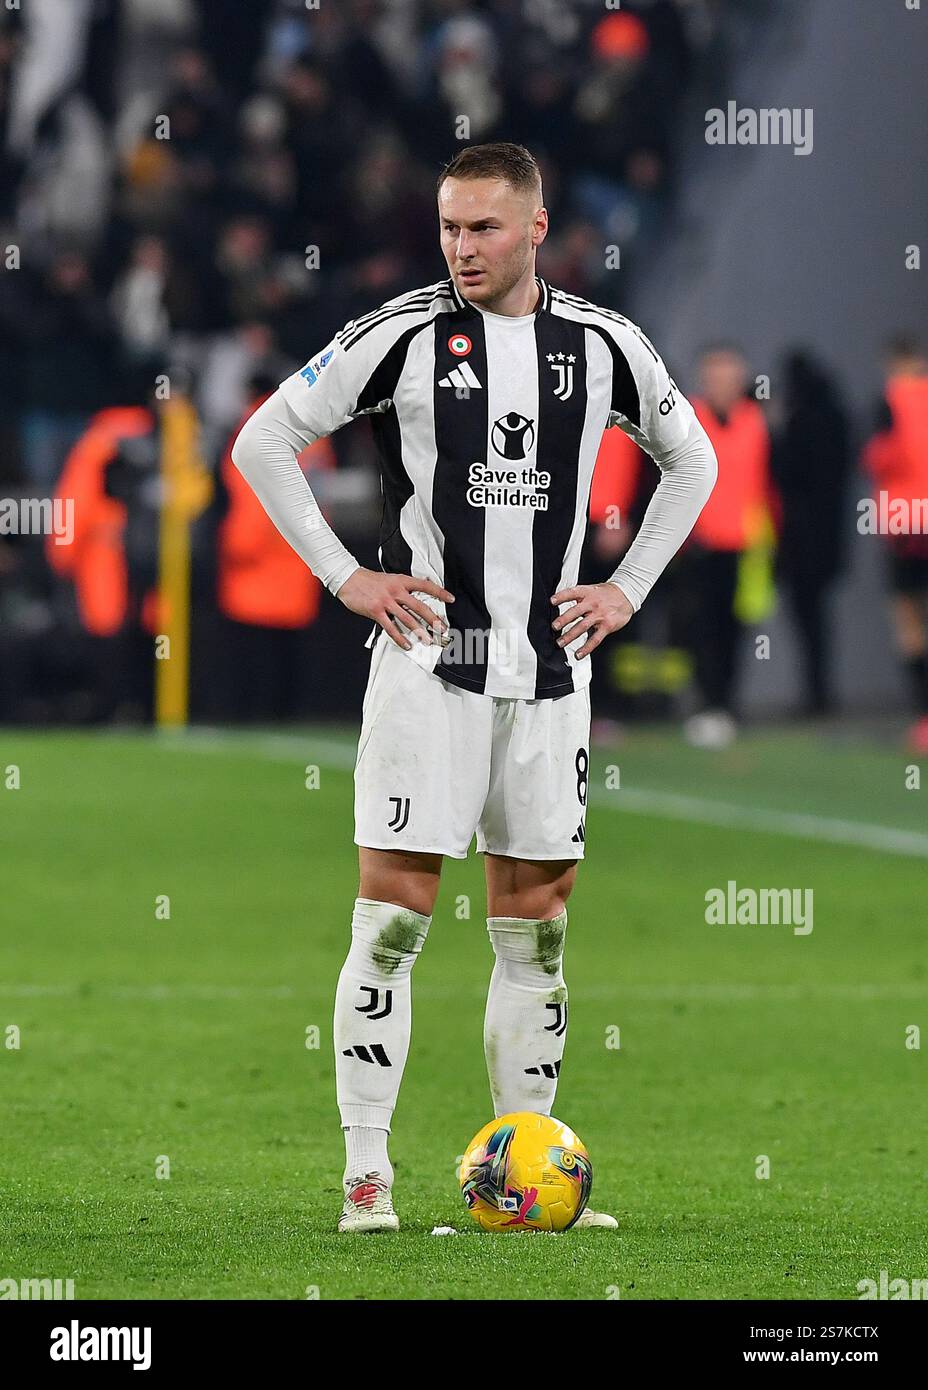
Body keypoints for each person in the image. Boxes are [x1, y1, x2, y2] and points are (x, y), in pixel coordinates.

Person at [231, 142, 717, 1233]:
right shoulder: (400, 334)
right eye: (449, 227)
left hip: (551, 678)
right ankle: (367, 1178)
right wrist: (347, 577)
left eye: (484, 228)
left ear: (536, 228)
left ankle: (521, 1170)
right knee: (393, 920)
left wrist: (625, 588)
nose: (461, 248)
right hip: (427, 674)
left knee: (535, 928)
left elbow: (696, 461)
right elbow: (265, 439)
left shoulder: (603, 345)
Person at [679, 344, 774, 748]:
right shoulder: (687, 417)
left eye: (730, 376)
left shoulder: (755, 419)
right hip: (698, 542)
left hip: (746, 544)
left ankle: (726, 705)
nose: (723, 384)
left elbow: (766, 482)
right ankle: (705, 704)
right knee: (699, 627)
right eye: (716, 376)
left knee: (737, 629)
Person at [771, 351, 851, 717]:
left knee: (808, 620)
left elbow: (785, 472)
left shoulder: (801, 420)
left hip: (800, 540)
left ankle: (816, 695)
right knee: (817, 620)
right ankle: (819, 693)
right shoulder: (836, 417)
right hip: (829, 538)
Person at [862, 336, 928, 753]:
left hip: (905, 523)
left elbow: (878, 459)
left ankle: (924, 717)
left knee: (909, 623)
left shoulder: (887, 402)